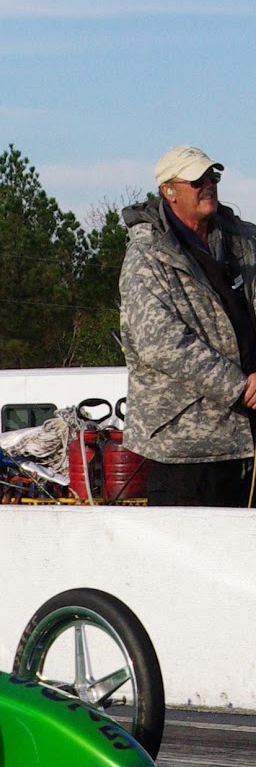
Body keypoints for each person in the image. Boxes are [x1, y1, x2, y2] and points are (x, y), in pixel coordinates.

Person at [119, 145, 256, 507]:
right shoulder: (147, 255)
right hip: (186, 451)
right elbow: (162, 342)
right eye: (196, 180)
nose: (207, 185)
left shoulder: (244, 241)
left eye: (212, 177)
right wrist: (240, 388)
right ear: (169, 190)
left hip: (249, 444)